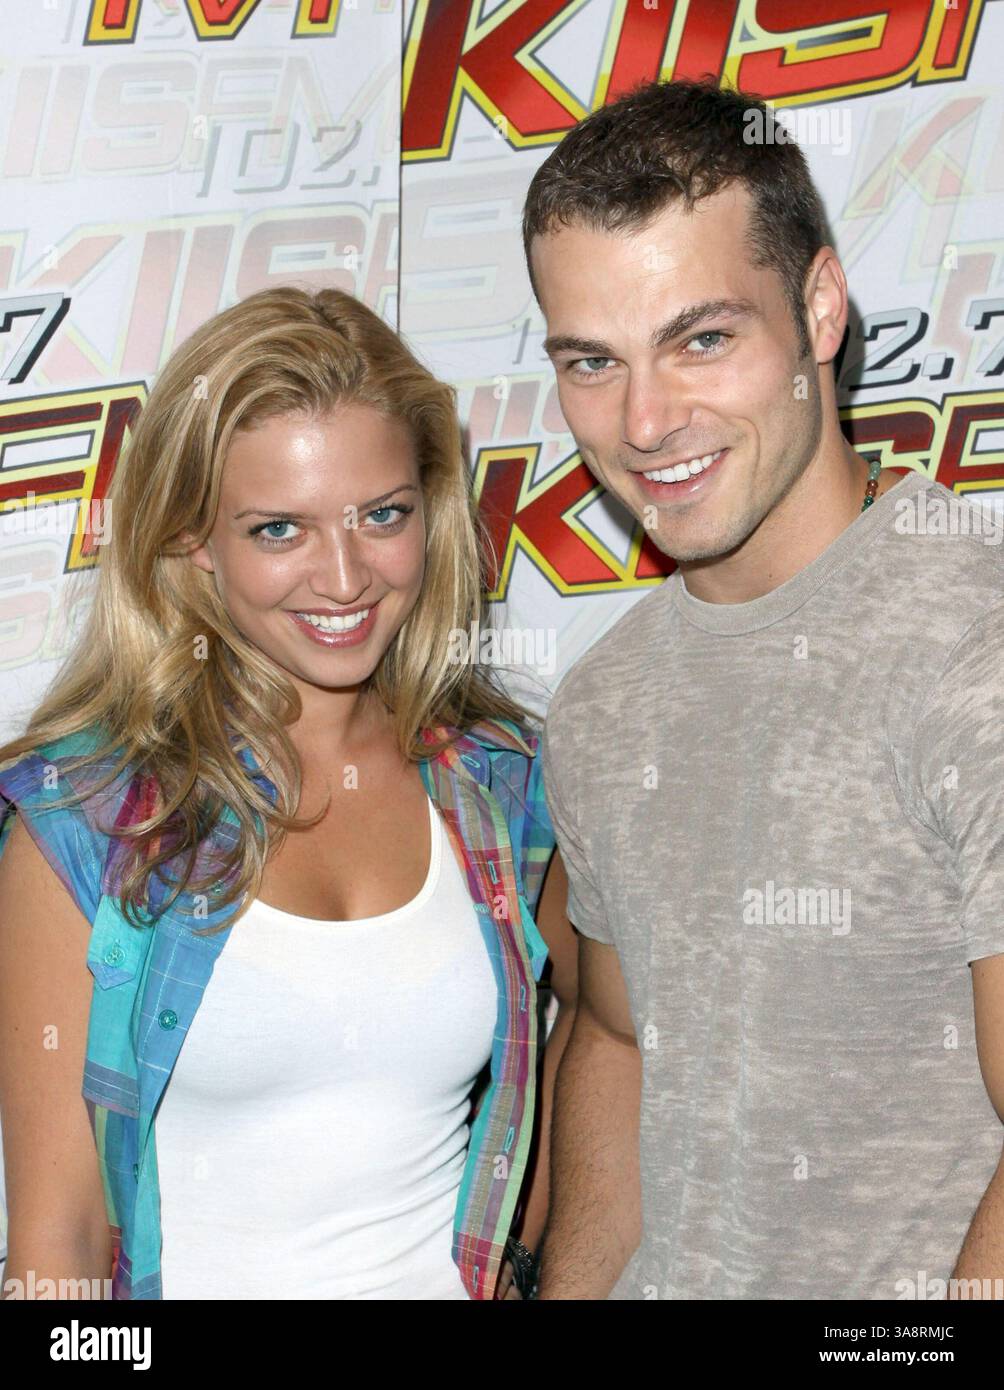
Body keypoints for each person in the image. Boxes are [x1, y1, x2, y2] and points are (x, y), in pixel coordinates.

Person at [522, 78, 1004, 1299]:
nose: (644, 420)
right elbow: (617, 1037)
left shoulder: (974, 640)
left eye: (701, 340)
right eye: (592, 361)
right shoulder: (603, 701)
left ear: (819, 308)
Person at [0, 285, 576, 1301]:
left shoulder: (501, 781)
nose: (345, 578)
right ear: (192, 543)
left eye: (383, 515)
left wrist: (538, 1258)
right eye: (279, 530)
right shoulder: (89, 819)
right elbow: (62, 1246)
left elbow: (620, 1025)